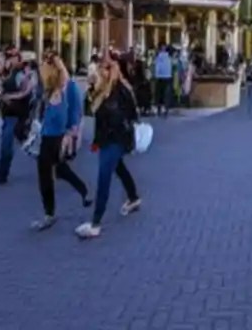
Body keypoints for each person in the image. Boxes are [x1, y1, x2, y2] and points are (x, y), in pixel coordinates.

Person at [76, 57, 143, 239]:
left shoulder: (121, 91)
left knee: (104, 177)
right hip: (106, 139)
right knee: (119, 168)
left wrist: (121, 125)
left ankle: (96, 222)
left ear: (110, 71)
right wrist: (91, 89)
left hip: (117, 139)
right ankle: (133, 197)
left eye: (102, 70)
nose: (98, 73)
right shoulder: (101, 90)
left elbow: (131, 115)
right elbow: (90, 110)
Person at [32, 55, 91, 231]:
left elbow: (74, 112)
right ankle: (82, 191)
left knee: (51, 172)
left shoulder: (67, 89)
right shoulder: (48, 91)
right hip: (47, 136)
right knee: (58, 170)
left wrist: (72, 132)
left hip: (58, 137)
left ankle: (50, 213)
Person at [0, 48, 37, 185]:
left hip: (19, 114)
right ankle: (53, 164)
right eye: (7, 56)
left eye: (12, 57)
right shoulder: (4, 73)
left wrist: (10, 96)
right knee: (26, 145)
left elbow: (27, 90)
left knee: (15, 144)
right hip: (9, 113)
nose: (9, 59)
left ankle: (2, 173)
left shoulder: (22, 73)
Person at [153, 46, 174, 117]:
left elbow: (156, 67)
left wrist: (156, 75)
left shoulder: (158, 57)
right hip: (168, 77)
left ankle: (159, 109)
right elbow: (171, 67)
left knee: (159, 94)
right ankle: (166, 110)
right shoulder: (169, 57)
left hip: (159, 77)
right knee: (166, 94)